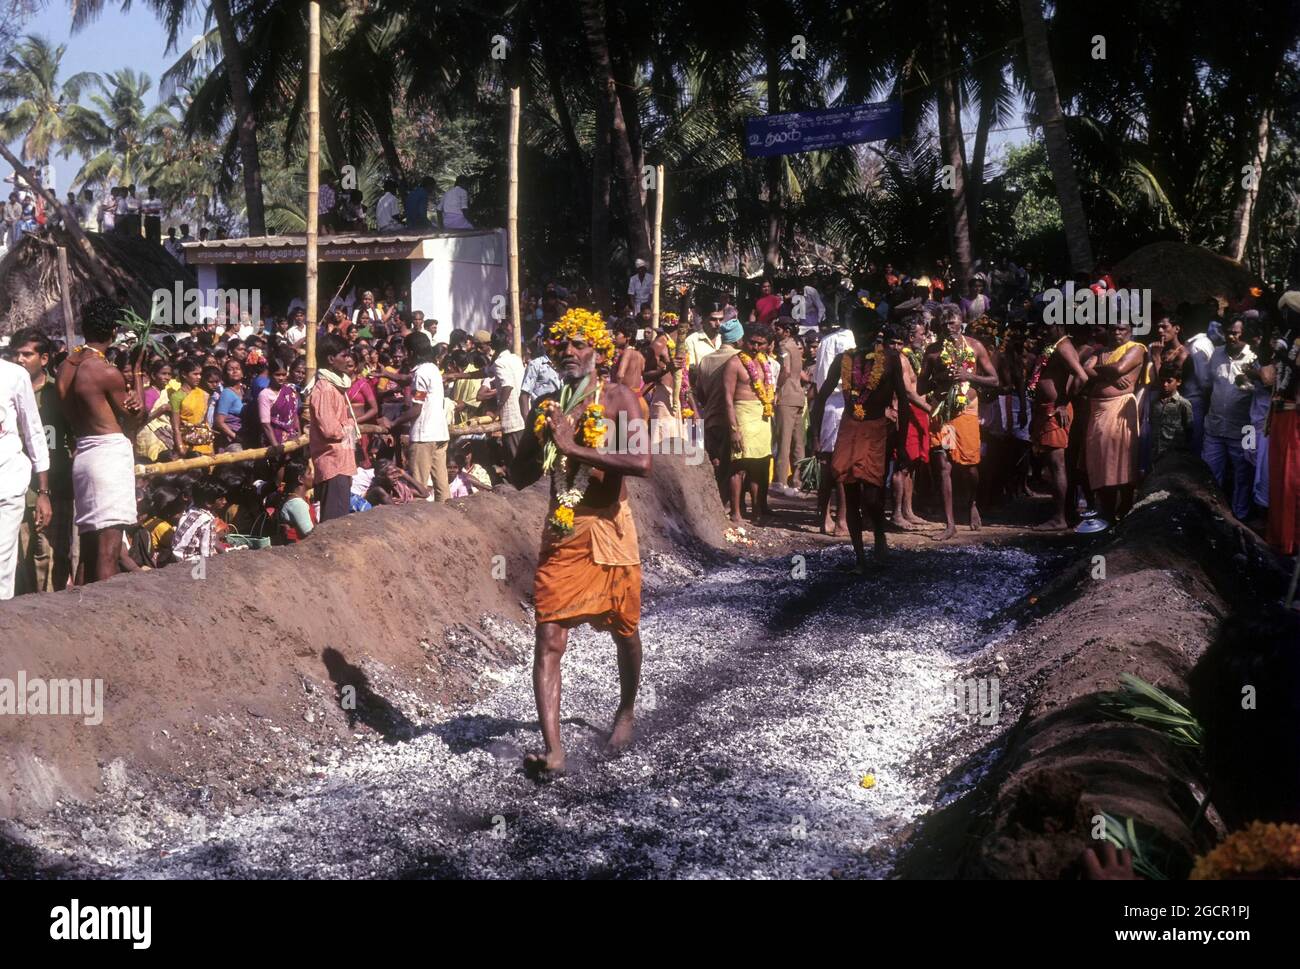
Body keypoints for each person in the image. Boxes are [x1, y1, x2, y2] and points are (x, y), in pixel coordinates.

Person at [507, 309, 651, 776]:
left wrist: (572, 448)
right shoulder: (549, 404)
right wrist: (528, 436)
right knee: (548, 634)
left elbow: (641, 462)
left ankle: (626, 709)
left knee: (624, 630)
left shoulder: (618, 398)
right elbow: (521, 475)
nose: (568, 352)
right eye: (560, 345)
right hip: (562, 530)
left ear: (597, 349)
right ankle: (555, 750)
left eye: (578, 343)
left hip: (609, 527)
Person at [54, 297, 141, 584]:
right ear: (114, 330)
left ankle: (81, 618)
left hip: (84, 454)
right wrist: (138, 388)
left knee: (90, 549)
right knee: (109, 551)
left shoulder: (65, 368)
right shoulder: (105, 372)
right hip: (109, 456)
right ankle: (108, 619)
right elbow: (133, 421)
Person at [812, 315, 907, 572]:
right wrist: (816, 437)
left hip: (877, 429)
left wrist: (903, 443)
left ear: (876, 332)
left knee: (873, 497)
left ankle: (878, 534)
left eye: (869, 331)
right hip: (849, 429)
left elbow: (904, 401)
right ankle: (859, 557)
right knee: (850, 492)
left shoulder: (889, 359)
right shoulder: (843, 359)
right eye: (859, 330)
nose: (864, 336)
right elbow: (820, 398)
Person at [921, 304, 999, 541]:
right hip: (944, 413)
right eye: (945, 324)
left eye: (953, 322)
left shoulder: (974, 346)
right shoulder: (933, 352)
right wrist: (939, 379)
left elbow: (994, 380)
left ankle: (972, 502)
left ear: (961, 322)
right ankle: (950, 523)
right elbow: (921, 387)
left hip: (967, 410)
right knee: (944, 463)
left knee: (969, 466)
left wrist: (969, 376)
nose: (949, 327)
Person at [8, 329, 74, 593]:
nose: (20, 360)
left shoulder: (57, 394)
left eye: (27, 354)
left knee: (50, 559)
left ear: (44, 359)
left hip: (54, 491)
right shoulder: (7, 393)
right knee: (19, 563)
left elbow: (76, 438)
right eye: (16, 354)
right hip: (17, 492)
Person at [1079, 321, 1147, 523]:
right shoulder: (1102, 350)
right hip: (1098, 409)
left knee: (1120, 460)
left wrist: (1104, 372)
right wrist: (1110, 375)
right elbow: (1085, 370)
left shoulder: (1136, 349)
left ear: (1130, 331)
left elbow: (1120, 368)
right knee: (1099, 459)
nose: (1117, 333)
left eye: (1122, 329)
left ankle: (1123, 510)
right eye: (1113, 329)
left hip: (1119, 408)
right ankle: (1106, 511)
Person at [1028, 321, 1091, 530]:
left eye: (1048, 326)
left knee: (1057, 464)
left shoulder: (1063, 347)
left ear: (1060, 326)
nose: (1044, 330)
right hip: (1047, 410)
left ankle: (1059, 518)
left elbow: (1081, 376)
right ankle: (1065, 513)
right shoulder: (1057, 345)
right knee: (1055, 464)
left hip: (1054, 411)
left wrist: (1063, 402)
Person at [0, 342, 51, 599]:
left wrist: (43, 491)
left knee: (1, 561)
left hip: (7, 480)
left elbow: (34, 431)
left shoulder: (13, 375)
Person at [378, 332, 450, 501]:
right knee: (442, 486)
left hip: (424, 437)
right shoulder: (431, 369)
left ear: (411, 353)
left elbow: (417, 409)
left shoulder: (421, 374)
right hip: (439, 434)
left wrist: (393, 422)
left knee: (419, 486)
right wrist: (388, 375)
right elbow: (408, 379)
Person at [1201, 316, 1260, 521]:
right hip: (1214, 428)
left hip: (1245, 429)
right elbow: (1208, 386)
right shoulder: (1216, 354)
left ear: (1245, 334)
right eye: (1229, 332)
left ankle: (1240, 518)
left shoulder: (1254, 357)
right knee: (1210, 474)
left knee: (1243, 475)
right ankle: (1214, 516)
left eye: (1236, 333)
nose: (1231, 337)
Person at [719, 324, 776, 523]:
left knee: (760, 465)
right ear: (745, 339)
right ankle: (736, 512)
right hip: (742, 414)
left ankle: (757, 511)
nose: (755, 347)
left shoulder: (764, 362)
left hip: (762, 416)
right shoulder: (734, 363)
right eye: (752, 342)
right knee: (739, 465)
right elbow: (727, 398)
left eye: (761, 344)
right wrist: (734, 429)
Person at [305, 334, 360, 521]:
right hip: (332, 463)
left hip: (342, 462)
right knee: (334, 522)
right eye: (344, 356)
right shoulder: (325, 389)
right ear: (330, 359)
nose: (348, 360)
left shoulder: (337, 387)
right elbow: (330, 430)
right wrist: (350, 425)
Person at [812, 313, 856, 535]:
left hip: (829, 404)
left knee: (828, 464)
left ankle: (826, 517)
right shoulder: (847, 339)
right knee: (840, 466)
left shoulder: (824, 341)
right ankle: (840, 519)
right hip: (842, 403)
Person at [891, 313, 934, 529]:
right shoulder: (900, 358)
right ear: (909, 336)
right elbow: (908, 392)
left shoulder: (911, 357)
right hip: (908, 415)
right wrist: (930, 408)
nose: (923, 338)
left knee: (912, 465)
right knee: (903, 464)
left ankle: (908, 511)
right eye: (920, 334)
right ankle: (897, 513)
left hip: (918, 415)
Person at [479, 330, 526, 461]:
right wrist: (458, 376)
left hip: (512, 419)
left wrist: (497, 411)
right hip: (522, 415)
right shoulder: (515, 358)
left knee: (516, 459)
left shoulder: (500, 363)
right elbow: (486, 371)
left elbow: (507, 386)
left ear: (492, 345)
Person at [772, 317, 805, 496]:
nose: (775, 332)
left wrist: (776, 389)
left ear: (786, 331)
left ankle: (781, 481)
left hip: (786, 396)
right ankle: (798, 481)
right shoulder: (796, 346)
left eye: (778, 329)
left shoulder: (784, 346)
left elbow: (785, 371)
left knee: (784, 441)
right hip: (799, 396)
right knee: (798, 442)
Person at [1149, 361, 1194, 465]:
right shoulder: (1154, 402)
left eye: (1169, 381)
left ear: (1178, 382)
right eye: (1162, 381)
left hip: (1174, 455)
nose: (1165, 384)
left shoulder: (1183, 404)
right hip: (1155, 454)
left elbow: (1189, 430)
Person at [278, 460, 315, 541]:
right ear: (300, 479)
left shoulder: (297, 499)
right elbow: (309, 533)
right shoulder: (296, 504)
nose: (313, 476)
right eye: (309, 473)